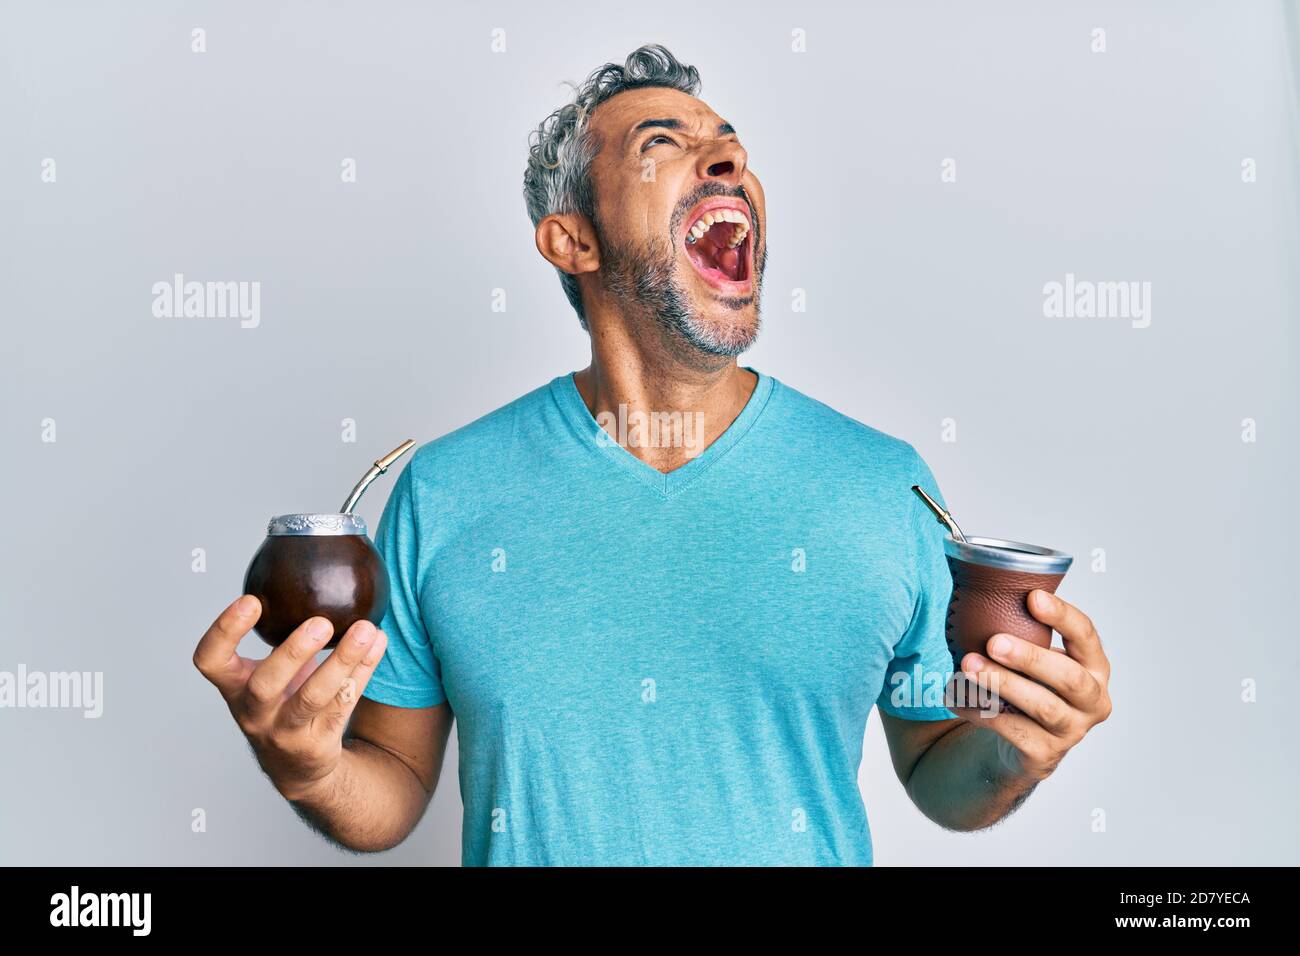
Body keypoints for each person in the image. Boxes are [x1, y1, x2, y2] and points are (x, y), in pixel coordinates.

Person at [193, 45, 1112, 866]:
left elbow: (939, 772)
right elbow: (391, 786)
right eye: (662, 145)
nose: (732, 160)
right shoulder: (444, 490)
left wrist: (1015, 747)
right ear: (573, 239)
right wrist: (309, 767)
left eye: (732, 145)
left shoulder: (884, 485)